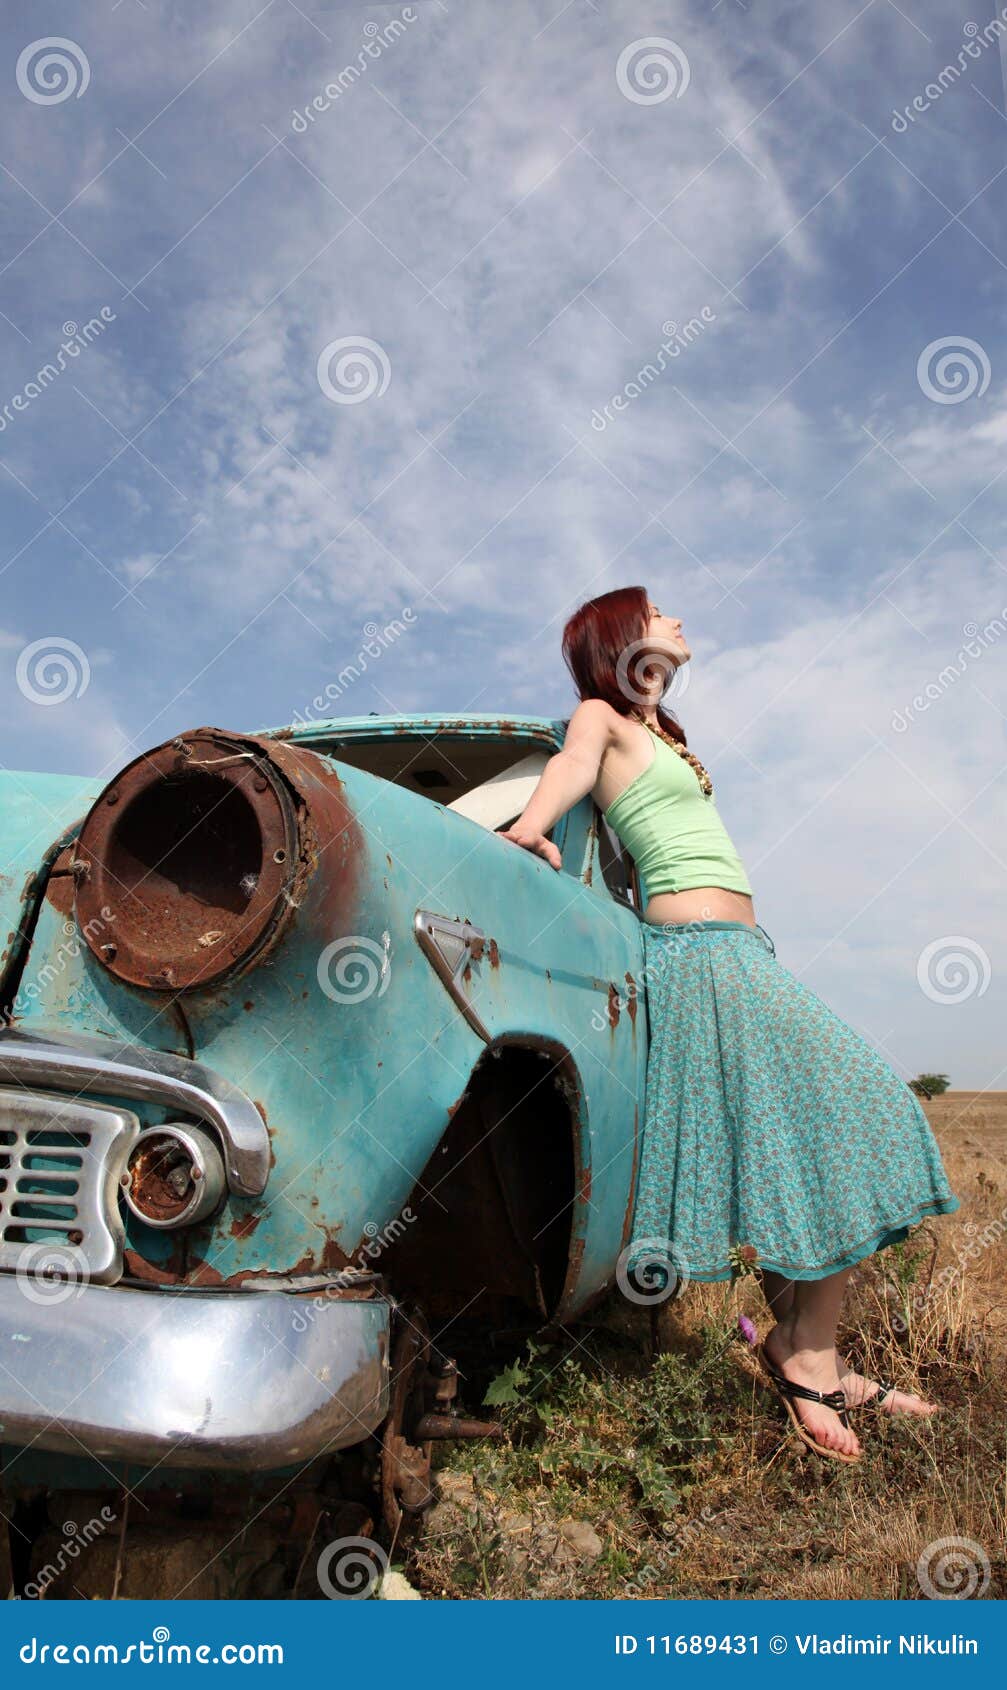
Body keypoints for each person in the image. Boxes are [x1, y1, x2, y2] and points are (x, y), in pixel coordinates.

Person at [500, 585, 958, 1463]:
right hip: (699, 959)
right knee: (860, 1115)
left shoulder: (665, 734)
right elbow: (565, 770)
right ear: (622, 640)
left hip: (741, 956)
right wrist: (528, 827)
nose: (675, 621)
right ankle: (805, 1357)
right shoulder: (598, 715)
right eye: (657, 613)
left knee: (797, 1140)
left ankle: (805, 1340)